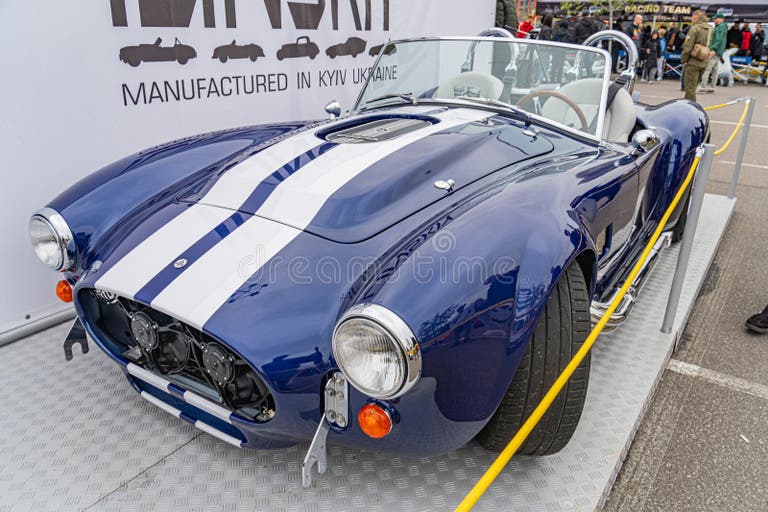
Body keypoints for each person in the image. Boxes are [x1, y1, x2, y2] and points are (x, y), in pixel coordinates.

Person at [681, 10, 711, 102]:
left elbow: (687, 46)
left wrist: (684, 59)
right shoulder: (710, 29)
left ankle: (692, 110)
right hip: (704, 61)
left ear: (696, 18)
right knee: (693, 88)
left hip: (693, 61)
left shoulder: (694, 29)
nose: (691, 20)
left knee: (690, 89)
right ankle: (686, 107)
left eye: (692, 17)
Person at [700, 12, 728, 93]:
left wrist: (713, 49)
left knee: (707, 68)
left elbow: (717, 39)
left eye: (716, 19)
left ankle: (703, 86)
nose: (714, 20)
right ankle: (712, 86)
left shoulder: (720, 27)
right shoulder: (723, 27)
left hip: (715, 50)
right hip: (719, 51)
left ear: (720, 19)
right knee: (715, 70)